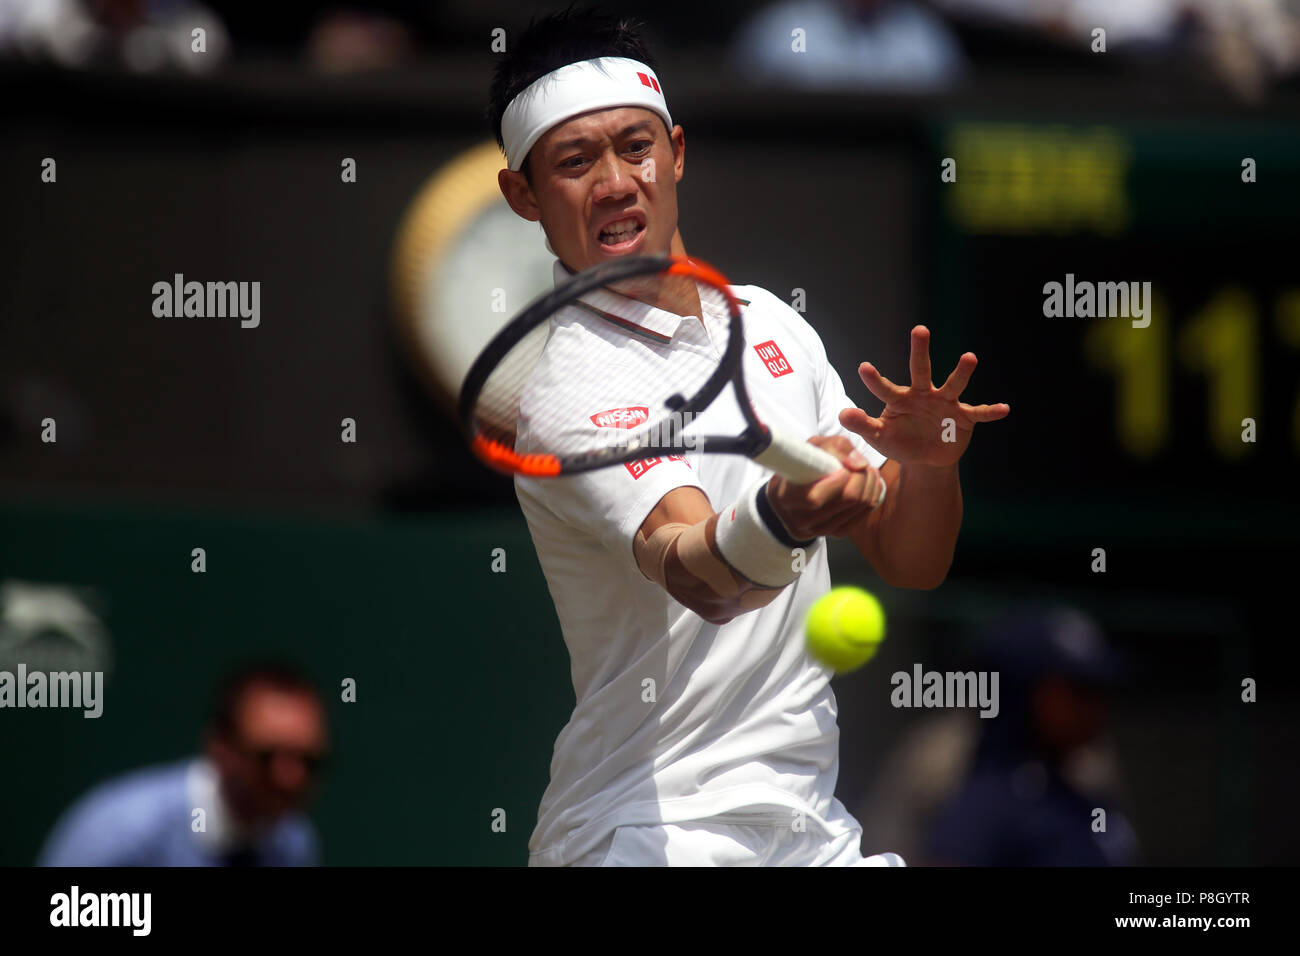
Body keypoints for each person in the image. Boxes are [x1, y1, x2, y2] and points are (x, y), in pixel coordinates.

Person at [489, 6, 1008, 866]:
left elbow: (912, 558)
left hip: (808, 827)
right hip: (647, 833)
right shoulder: (570, 388)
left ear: (677, 152)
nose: (616, 182)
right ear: (525, 196)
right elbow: (700, 571)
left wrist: (927, 470)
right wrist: (784, 520)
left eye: (636, 146)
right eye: (574, 162)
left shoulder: (774, 326)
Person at [39, 662, 327, 866]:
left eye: (309, 761)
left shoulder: (293, 842)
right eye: (267, 757)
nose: (291, 777)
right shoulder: (123, 833)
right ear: (220, 746)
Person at [926, 606, 1138, 865]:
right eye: (1079, 692)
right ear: (1023, 692)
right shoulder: (985, 810)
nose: (1095, 708)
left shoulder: (1086, 790)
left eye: (1099, 692)